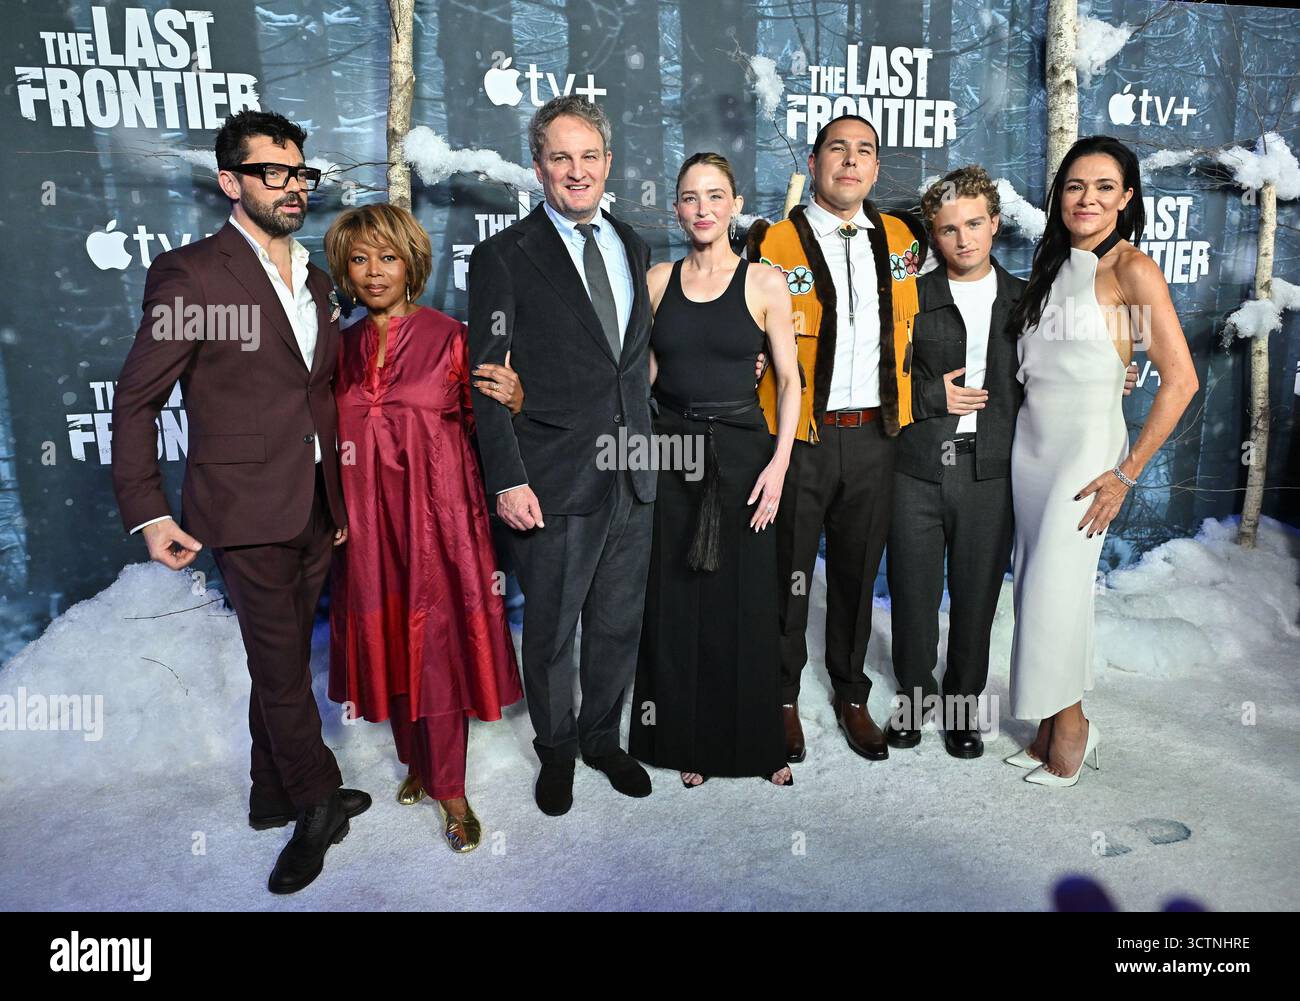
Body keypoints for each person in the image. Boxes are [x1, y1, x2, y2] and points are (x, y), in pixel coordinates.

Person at [110, 109, 370, 894]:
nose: (292, 187)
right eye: (272, 173)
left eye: (300, 173)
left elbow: (315, 394)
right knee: (281, 664)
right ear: (231, 181)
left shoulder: (320, 281)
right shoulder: (192, 275)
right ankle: (317, 799)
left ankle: (269, 792)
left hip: (316, 505)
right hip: (243, 508)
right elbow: (136, 401)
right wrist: (150, 510)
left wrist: (341, 491)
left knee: (283, 656)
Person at [886, 166, 1141, 759]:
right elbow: (877, 379)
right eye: (948, 229)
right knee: (913, 592)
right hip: (916, 466)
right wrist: (930, 397)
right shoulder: (908, 298)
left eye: (975, 223)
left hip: (994, 469)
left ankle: (959, 707)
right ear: (933, 236)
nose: (964, 239)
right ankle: (914, 698)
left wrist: (1112, 374)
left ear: (995, 224)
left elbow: (1069, 365)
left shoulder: (1031, 297)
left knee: (975, 597)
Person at [467, 95, 656, 817]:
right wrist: (508, 476)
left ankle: (604, 738)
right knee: (550, 628)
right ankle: (556, 748)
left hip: (633, 469)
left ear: (608, 163)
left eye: (589, 156)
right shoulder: (503, 256)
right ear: (538, 166)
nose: (576, 171)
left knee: (616, 621)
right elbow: (487, 379)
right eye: (560, 157)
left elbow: (627, 363)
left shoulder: (632, 244)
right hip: (552, 474)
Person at [323, 204, 524, 853]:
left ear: (411, 262)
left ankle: (451, 786)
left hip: (440, 523)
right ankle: (415, 760)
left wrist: (519, 398)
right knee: (388, 638)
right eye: (360, 258)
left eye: (387, 255)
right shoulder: (339, 348)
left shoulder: (450, 336)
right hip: (367, 526)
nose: (374, 270)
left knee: (434, 647)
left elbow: (489, 422)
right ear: (345, 271)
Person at [1006, 135, 1198, 786]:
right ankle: (1047, 725)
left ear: (1127, 198)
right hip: (1031, 447)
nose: (1086, 199)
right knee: (1040, 587)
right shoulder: (1051, 265)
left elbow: (1180, 380)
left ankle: (1071, 731)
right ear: (1060, 195)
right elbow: (1044, 363)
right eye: (1074, 186)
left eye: (1103, 187)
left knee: (1056, 590)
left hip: (1087, 456)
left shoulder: (1131, 269)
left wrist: (1127, 471)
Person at [745, 114, 925, 765]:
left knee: (856, 572)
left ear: (876, 168)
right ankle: (780, 694)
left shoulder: (905, 239)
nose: (850, 161)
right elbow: (738, 327)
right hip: (799, 438)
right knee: (788, 573)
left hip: (875, 435)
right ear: (816, 160)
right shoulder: (773, 242)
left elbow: (954, 298)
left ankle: (851, 691)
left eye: (864, 151)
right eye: (837, 149)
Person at [628, 153, 800, 788]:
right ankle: (686, 740)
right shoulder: (656, 279)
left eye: (715, 196)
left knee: (747, 603)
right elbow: (644, 375)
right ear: (676, 207)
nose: (702, 208)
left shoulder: (764, 283)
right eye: (689, 197)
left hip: (743, 453)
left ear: (733, 205)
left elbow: (788, 379)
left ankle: (757, 746)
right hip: (672, 452)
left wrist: (780, 464)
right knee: (678, 600)